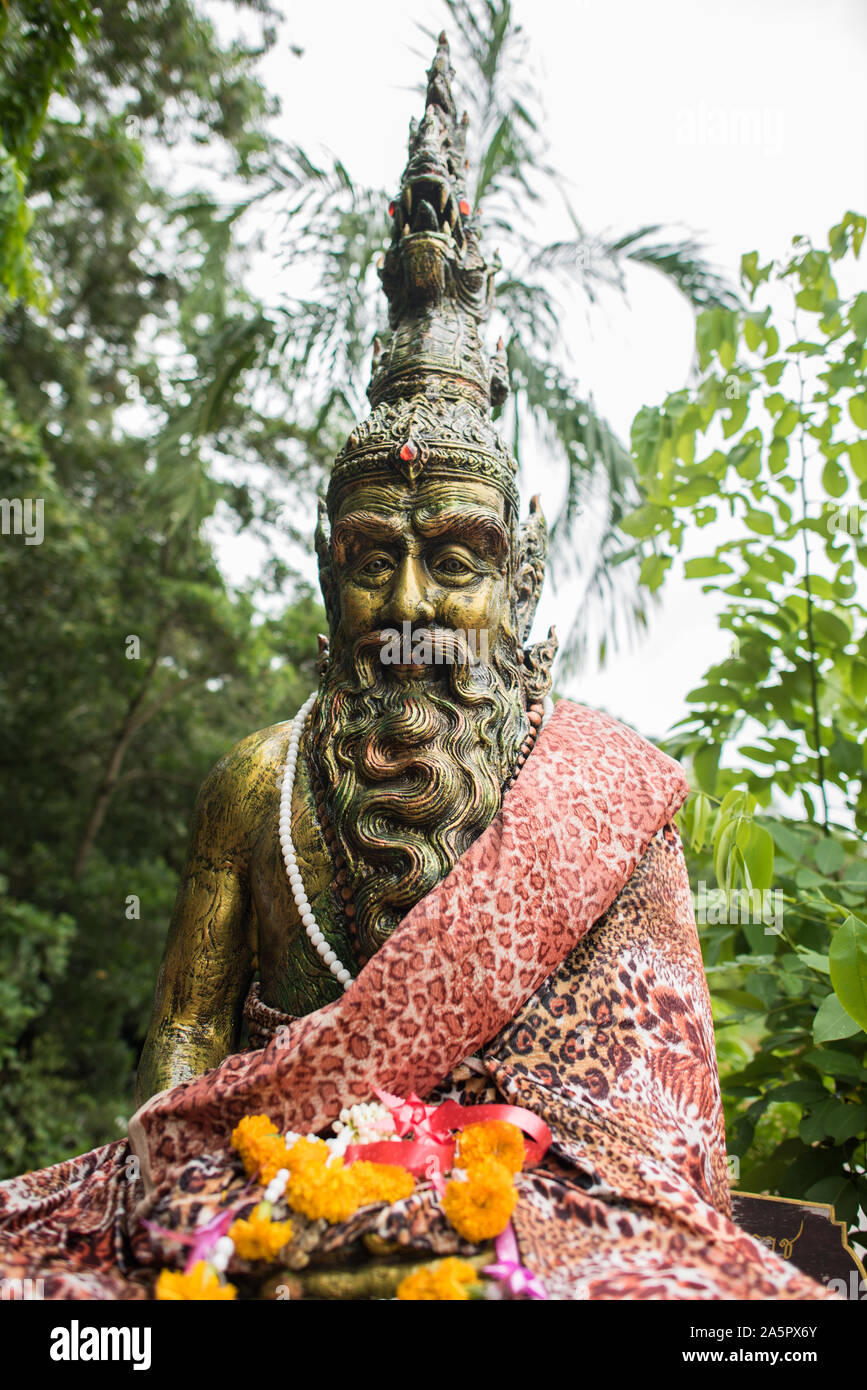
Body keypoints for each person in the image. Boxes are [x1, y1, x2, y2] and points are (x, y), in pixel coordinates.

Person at [0, 36, 830, 1301]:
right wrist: (222, 1188)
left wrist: (440, 1200)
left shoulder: (596, 799)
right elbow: (184, 1052)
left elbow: (653, 1130)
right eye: (370, 558)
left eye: (457, 557)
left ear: (524, 578)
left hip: (532, 1209)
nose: (407, 604)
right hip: (259, 1191)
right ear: (324, 570)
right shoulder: (257, 789)